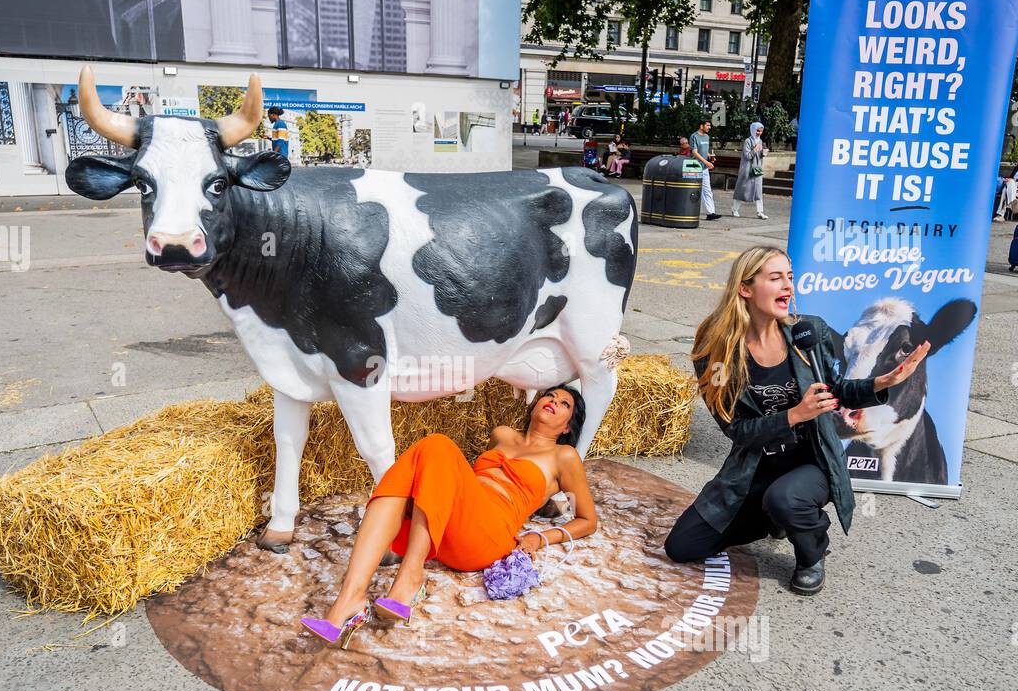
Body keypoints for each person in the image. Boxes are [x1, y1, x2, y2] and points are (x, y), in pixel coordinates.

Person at [664, 246, 928, 595]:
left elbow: (833, 390)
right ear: (745, 288)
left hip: (812, 459)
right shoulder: (717, 351)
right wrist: (793, 414)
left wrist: (883, 383)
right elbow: (738, 432)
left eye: (790, 276)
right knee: (682, 547)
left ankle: (811, 550)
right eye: (775, 278)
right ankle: (779, 516)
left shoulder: (808, 333)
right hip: (755, 465)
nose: (788, 286)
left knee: (786, 499)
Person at [300, 386, 599, 647]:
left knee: (436, 444)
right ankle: (349, 597)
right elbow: (465, 484)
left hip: (489, 538)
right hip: (452, 529)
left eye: (564, 404)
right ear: (534, 404)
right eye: (550, 395)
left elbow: (587, 520)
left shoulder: (564, 457)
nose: (553, 401)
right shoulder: (503, 435)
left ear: (566, 428)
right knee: (408, 473)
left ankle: (410, 576)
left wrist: (539, 537)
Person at [732, 121, 768, 219]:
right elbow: (747, 156)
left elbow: (759, 156)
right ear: (753, 130)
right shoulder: (748, 141)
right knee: (742, 189)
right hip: (747, 169)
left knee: (758, 190)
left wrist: (763, 154)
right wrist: (755, 149)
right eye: (757, 131)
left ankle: (760, 211)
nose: (759, 133)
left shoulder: (760, 141)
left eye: (761, 131)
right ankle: (735, 209)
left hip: (757, 169)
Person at [689, 117, 722, 220]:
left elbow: (704, 151)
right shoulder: (694, 136)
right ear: (701, 126)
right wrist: (706, 162)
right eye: (707, 125)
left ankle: (710, 213)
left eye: (709, 125)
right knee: (691, 189)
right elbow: (695, 152)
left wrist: (710, 157)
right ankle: (687, 210)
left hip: (704, 168)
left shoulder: (707, 137)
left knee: (707, 190)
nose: (709, 127)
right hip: (695, 167)